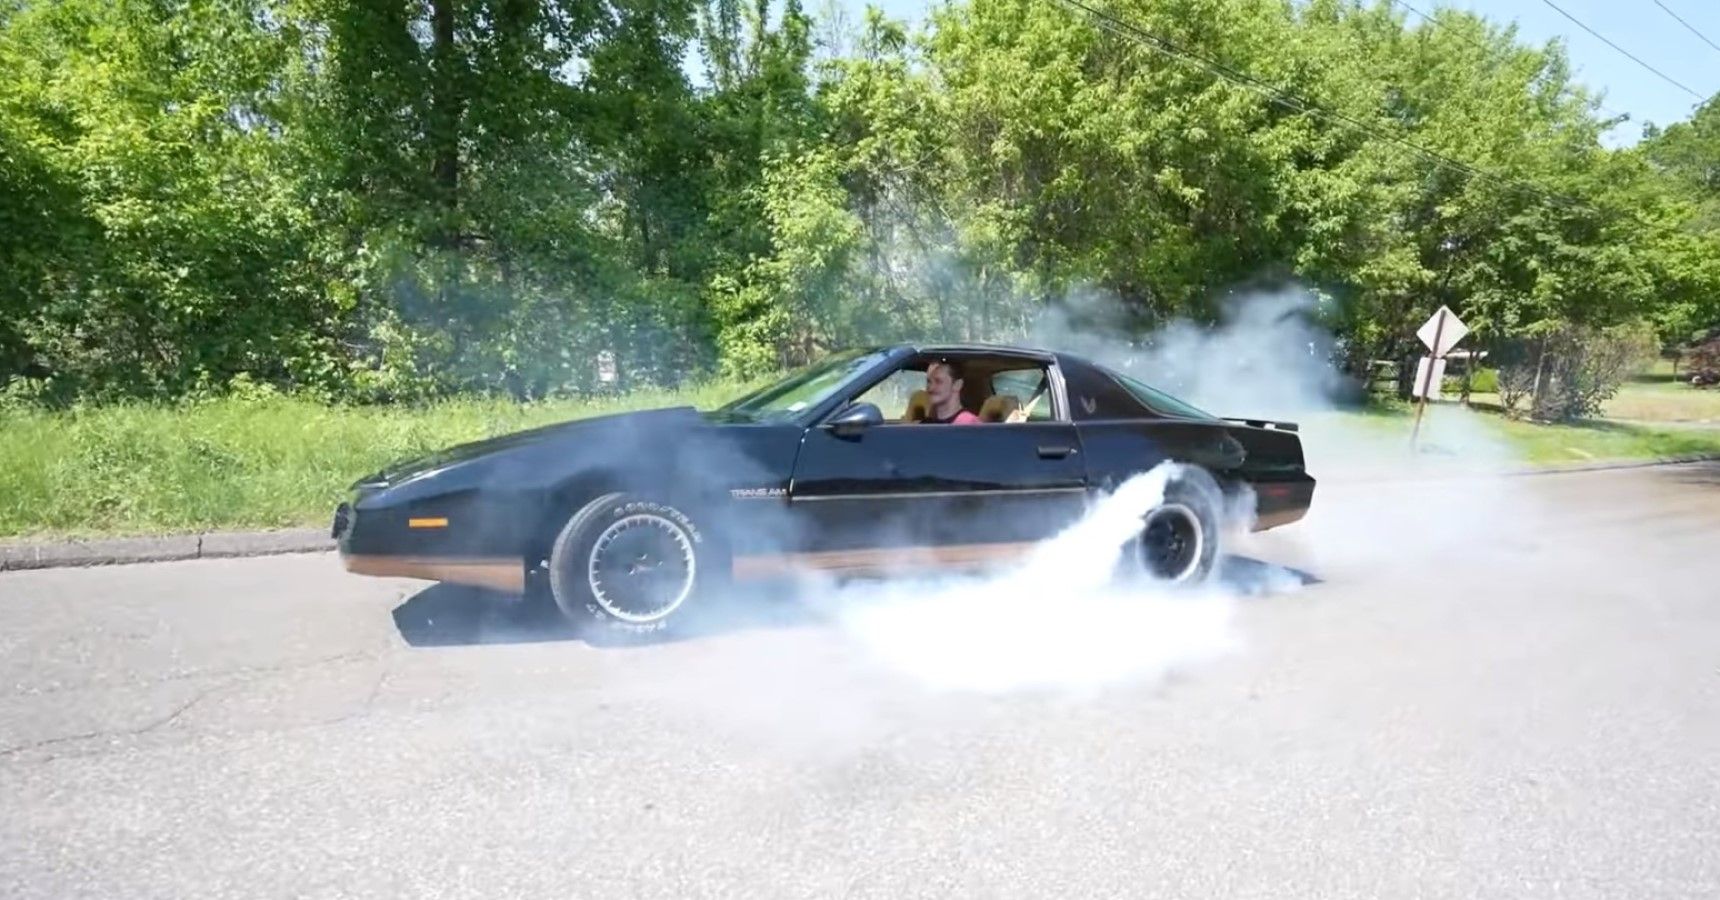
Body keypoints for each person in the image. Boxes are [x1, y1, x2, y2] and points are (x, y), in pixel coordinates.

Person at [922, 359, 980, 424]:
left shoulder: (967, 422)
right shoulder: (926, 423)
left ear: (957, 385)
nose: (931, 388)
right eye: (929, 382)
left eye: (938, 381)